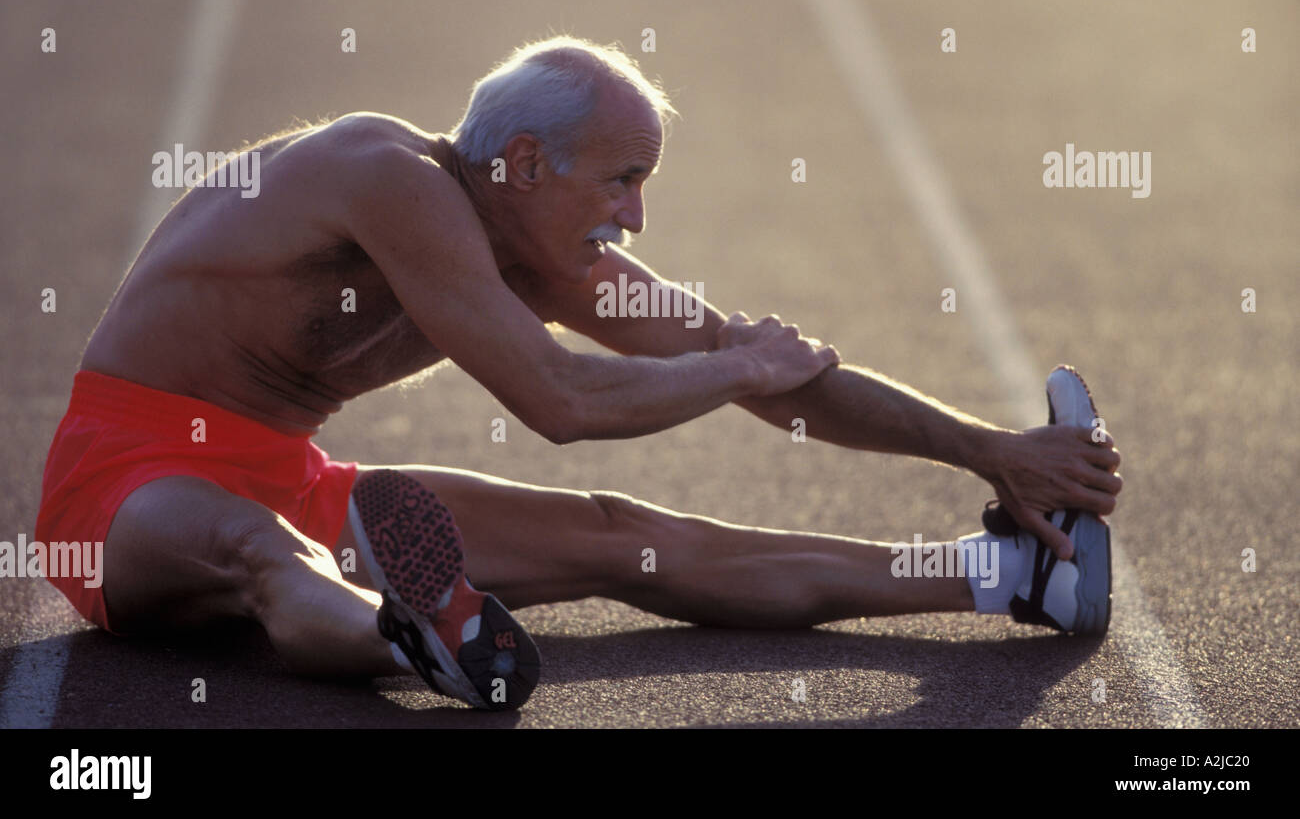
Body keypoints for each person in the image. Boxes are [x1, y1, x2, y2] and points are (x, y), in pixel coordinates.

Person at [36, 36, 1122, 711]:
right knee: (255, 551)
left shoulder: (545, 253)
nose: (635, 215)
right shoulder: (384, 179)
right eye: (622, 179)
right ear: (519, 163)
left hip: (291, 471)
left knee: (622, 534)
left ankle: (1010, 579)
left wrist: (991, 449)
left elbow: (768, 376)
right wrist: (738, 361)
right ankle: (407, 633)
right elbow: (557, 403)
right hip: (132, 480)